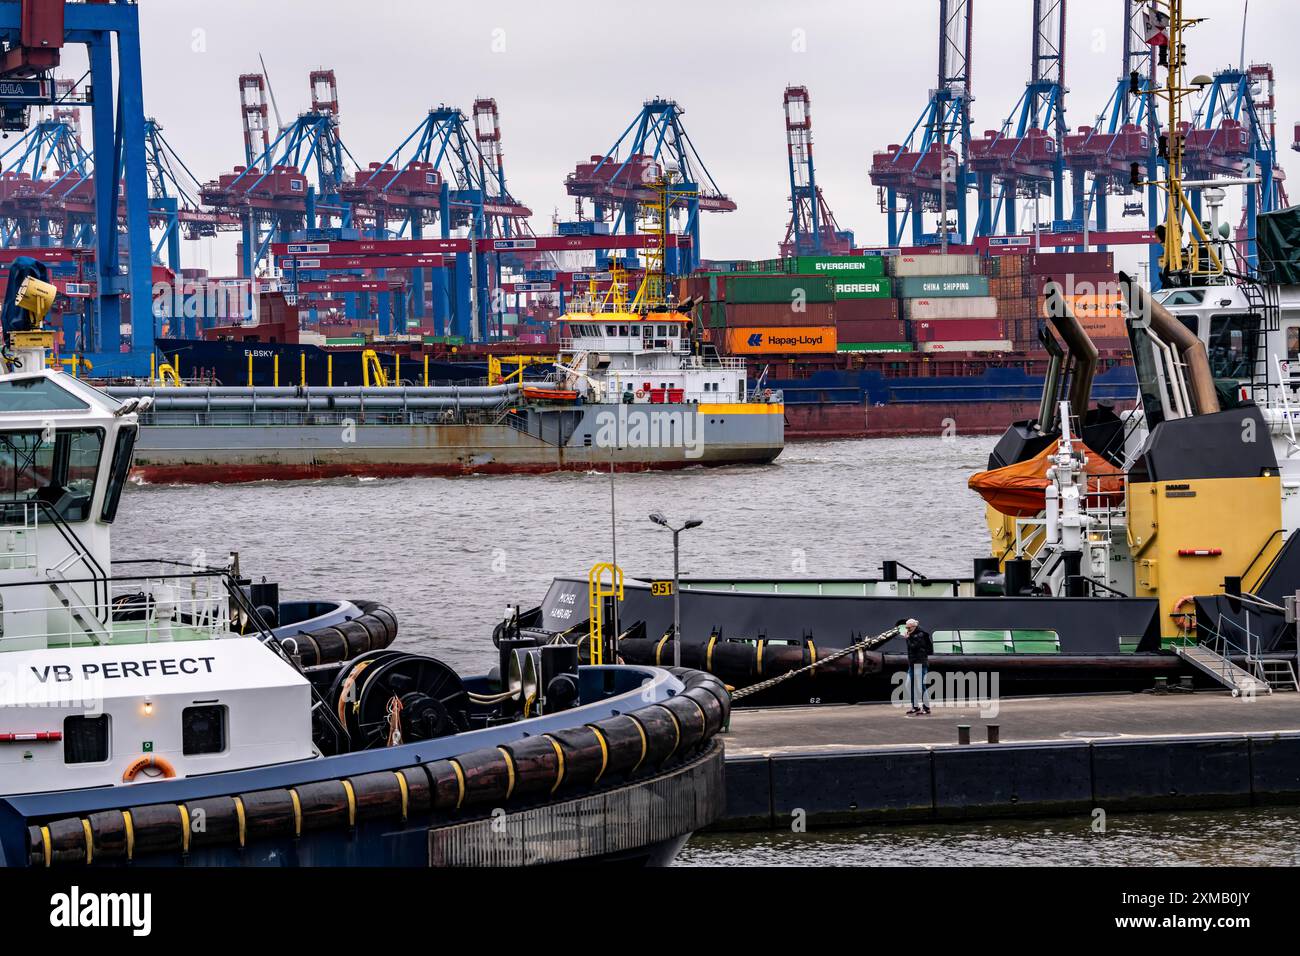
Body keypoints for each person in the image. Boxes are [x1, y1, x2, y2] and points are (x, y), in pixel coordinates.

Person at [900, 618, 933, 716]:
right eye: (906, 628)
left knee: (921, 686)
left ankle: (926, 708)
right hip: (912, 664)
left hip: (920, 664)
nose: (907, 629)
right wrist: (909, 637)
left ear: (914, 627)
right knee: (908, 685)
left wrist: (907, 638)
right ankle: (915, 706)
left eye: (908, 628)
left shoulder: (920, 635)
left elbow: (914, 646)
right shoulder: (912, 634)